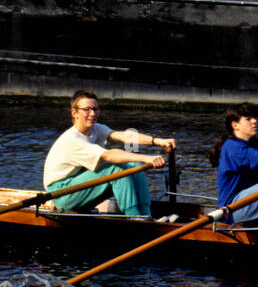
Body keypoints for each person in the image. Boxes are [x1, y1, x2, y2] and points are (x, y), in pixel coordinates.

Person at [43, 89, 174, 216]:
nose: (93, 114)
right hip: (62, 194)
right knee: (115, 169)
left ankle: (146, 214)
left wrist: (158, 141)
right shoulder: (72, 140)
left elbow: (126, 136)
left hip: (78, 186)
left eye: (95, 109)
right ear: (74, 113)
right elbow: (109, 155)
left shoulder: (96, 129)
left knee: (134, 165)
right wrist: (147, 158)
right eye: (87, 109)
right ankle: (134, 217)